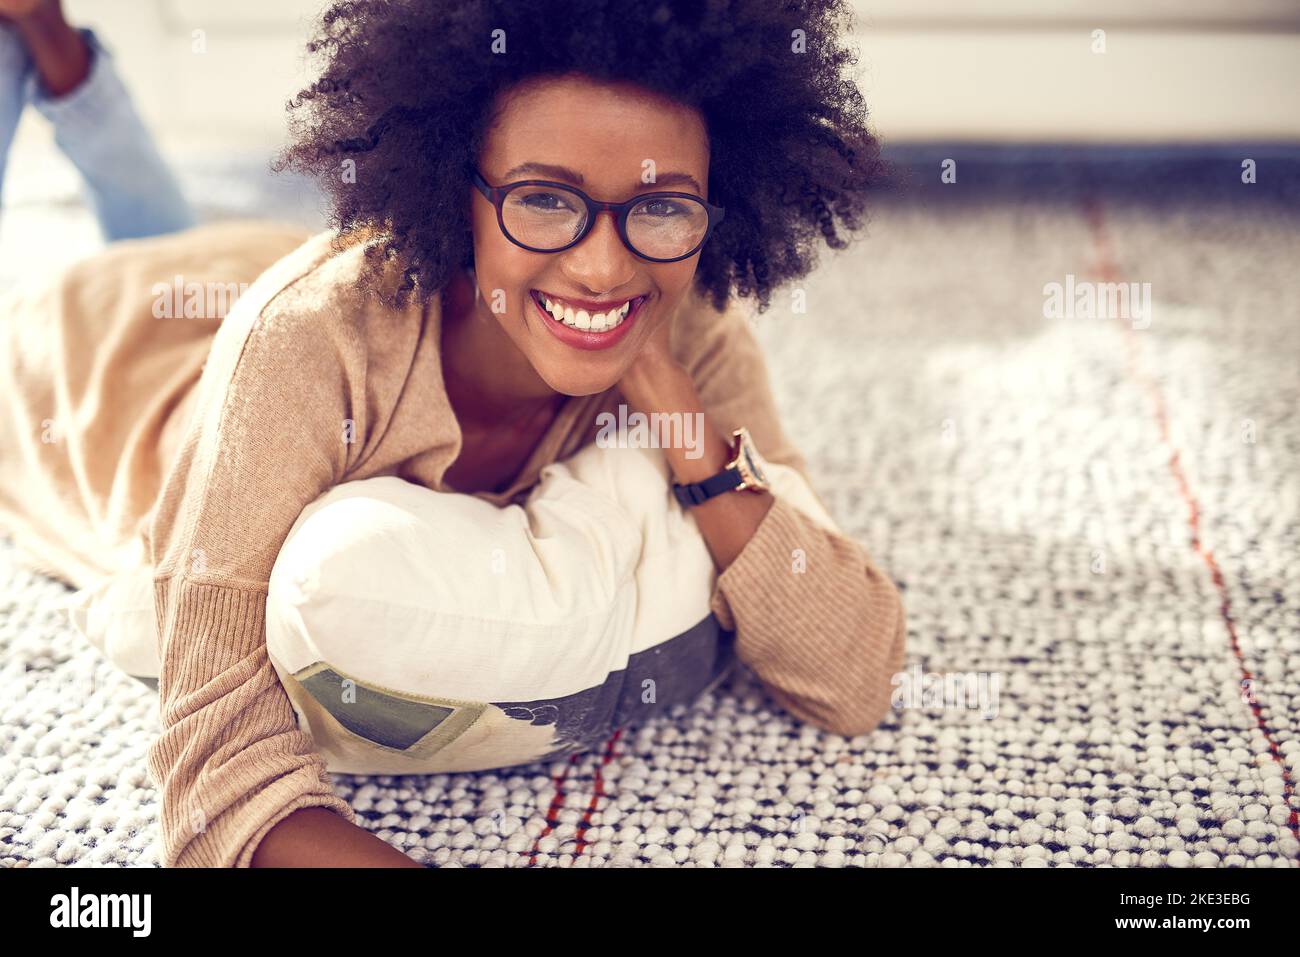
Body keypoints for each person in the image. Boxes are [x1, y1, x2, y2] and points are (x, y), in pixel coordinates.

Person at [0, 0, 907, 868]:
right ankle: (38, 40)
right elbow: (212, 792)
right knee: (129, 253)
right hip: (94, 365)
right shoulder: (308, 338)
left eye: (662, 207)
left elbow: (854, 673)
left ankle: (49, 36)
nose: (603, 267)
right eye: (545, 199)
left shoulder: (689, 325)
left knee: (169, 232)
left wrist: (675, 407)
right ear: (453, 191)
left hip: (238, 264)